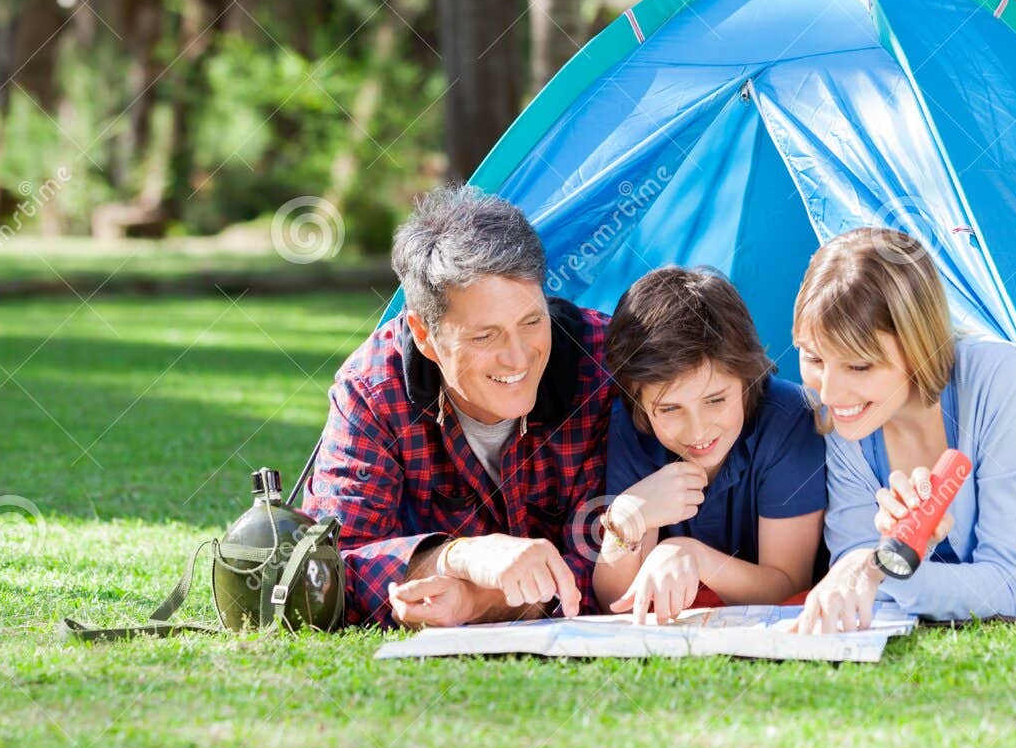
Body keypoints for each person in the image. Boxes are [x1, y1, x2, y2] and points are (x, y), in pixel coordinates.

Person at [305, 185, 612, 628]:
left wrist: (473, 602)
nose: (518, 357)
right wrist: (456, 556)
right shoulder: (373, 390)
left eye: (531, 321)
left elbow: (606, 566)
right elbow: (328, 567)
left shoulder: (604, 368)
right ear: (425, 335)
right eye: (485, 336)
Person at [790, 227, 1016, 633]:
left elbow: (1014, 590)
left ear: (919, 347)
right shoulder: (845, 418)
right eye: (814, 359)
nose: (830, 391)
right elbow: (855, 572)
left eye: (859, 366)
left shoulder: (1000, 379)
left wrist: (888, 568)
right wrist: (883, 563)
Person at [596, 267, 826, 624]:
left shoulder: (787, 420)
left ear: (747, 378)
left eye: (715, 400)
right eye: (670, 408)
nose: (698, 429)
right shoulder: (633, 430)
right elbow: (614, 599)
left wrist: (693, 556)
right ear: (638, 402)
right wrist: (630, 515)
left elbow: (788, 585)